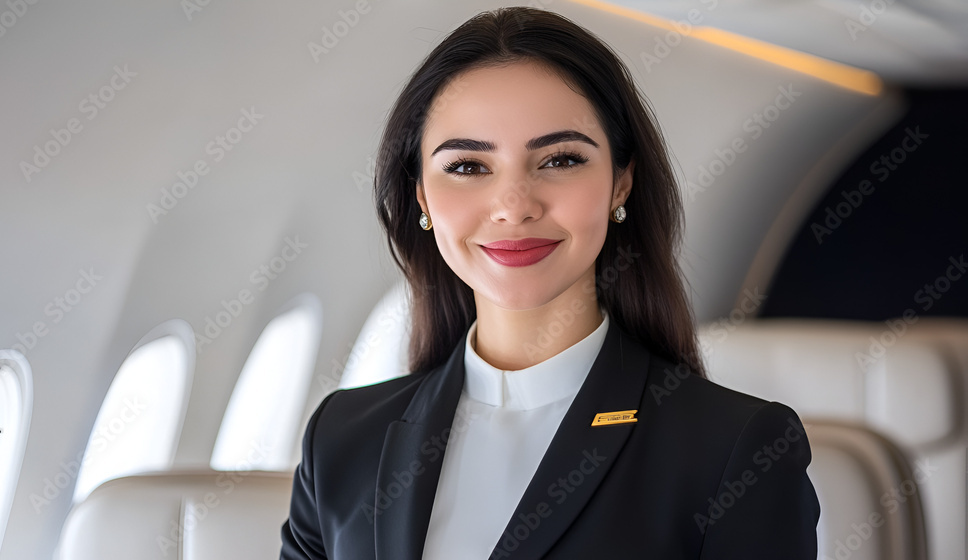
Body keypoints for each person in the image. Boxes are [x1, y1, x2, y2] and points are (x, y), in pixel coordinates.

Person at [280, 6, 820, 559]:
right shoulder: (341, 440)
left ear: (621, 183)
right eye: (467, 166)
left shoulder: (735, 450)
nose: (514, 207)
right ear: (422, 197)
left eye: (560, 160)